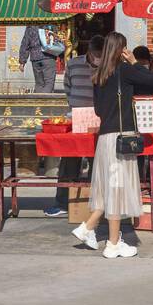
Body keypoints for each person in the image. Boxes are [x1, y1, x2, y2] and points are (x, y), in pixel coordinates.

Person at [71, 32, 153, 258]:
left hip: (105, 140)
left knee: (108, 188)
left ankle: (88, 228)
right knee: (117, 189)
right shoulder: (126, 71)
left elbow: (99, 111)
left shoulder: (99, 75)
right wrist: (135, 62)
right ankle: (112, 243)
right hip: (121, 140)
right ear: (122, 50)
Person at [44, 34, 103, 218]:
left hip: (98, 121)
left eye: (102, 54)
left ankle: (96, 203)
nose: (99, 58)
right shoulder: (74, 63)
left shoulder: (109, 65)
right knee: (69, 160)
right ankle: (62, 202)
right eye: (96, 55)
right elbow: (68, 86)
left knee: (97, 163)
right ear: (90, 52)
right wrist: (75, 105)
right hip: (76, 117)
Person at [18, 25, 58, 93]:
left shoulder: (30, 27)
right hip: (48, 57)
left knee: (39, 83)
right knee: (48, 83)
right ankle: (45, 101)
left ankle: (38, 101)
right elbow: (56, 40)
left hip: (35, 59)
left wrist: (22, 62)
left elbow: (25, 44)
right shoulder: (51, 25)